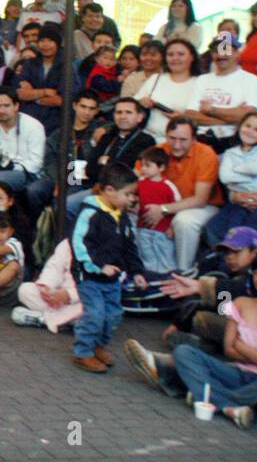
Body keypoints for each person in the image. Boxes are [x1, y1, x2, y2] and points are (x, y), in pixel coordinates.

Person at [168, 248, 257, 429]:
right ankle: (229, 407)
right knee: (183, 352)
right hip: (237, 373)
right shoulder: (241, 303)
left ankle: (205, 394)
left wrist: (243, 347)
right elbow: (229, 350)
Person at [69, 163, 148, 373]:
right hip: (90, 276)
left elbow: (129, 246)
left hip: (112, 279)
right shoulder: (89, 213)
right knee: (94, 314)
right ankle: (83, 352)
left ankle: (98, 345)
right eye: (128, 194)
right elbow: (79, 244)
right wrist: (98, 266)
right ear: (109, 190)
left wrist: (137, 271)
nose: (132, 199)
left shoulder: (121, 215)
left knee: (112, 315)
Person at [139, 117, 221, 270]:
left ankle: (183, 272)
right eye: (172, 138)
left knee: (184, 221)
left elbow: (200, 199)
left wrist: (163, 209)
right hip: (167, 202)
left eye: (183, 140)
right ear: (166, 135)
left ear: (194, 139)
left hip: (203, 206)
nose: (177, 145)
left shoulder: (206, 154)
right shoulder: (160, 150)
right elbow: (138, 175)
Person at [202, 112, 257, 247]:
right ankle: (222, 261)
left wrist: (235, 171)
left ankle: (243, 262)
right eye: (247, 126)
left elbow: (255, 169)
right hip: (239, 201)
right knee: (222, 229)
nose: (250, 132)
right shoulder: (230, 152)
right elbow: (225, 178)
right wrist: (241, 191)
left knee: (250, 234)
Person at [183, 33, 257, 150]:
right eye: (216, 51)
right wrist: (230, 119)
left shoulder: (251, 80)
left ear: (237, 53)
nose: (221, 55)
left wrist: (211, 110)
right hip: (200, 140)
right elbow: (191, 115)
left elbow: (248, 115)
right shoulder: (202, 80)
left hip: (233, 142)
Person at [13, 239, 83, 332]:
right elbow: (54, 267)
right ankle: (66, 322)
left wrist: (69, 295)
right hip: (57, 298)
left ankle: (43, 319)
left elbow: (99, 286)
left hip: (82, 298)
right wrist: (46, 287)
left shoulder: (103, 246)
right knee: (25, 290)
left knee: (94, 309)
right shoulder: (68, 243)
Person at [138, 38, 200, 142]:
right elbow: (135, 104)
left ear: (192, 57)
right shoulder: (156, 78)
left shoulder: (200, 83)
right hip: (147, 140)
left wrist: (182, 118)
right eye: (170, 54)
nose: (175, 58)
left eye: (181, 54)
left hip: (181, 144)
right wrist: (142, 101)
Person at [16, 23, 65, 134]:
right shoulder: (30, 64)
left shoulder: (66, 67)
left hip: (54, 124)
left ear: (57, 44)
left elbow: (60, 100)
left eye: (50, 41)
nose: (45, 45)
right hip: (28, 120)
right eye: (42, 41)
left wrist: (32, 95)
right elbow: (21, 94)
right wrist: (45, 92)